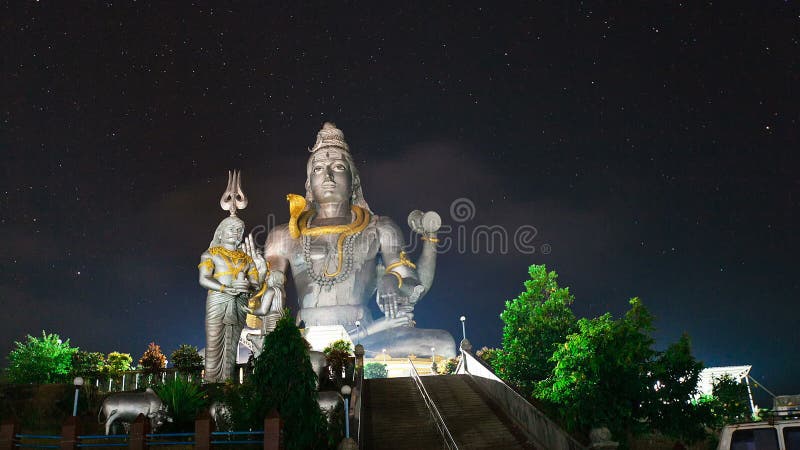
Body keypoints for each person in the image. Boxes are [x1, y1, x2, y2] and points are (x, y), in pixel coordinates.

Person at [247, 123, 454, 358]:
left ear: (354, 180)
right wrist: (256, 281)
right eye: (318, 169)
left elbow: (413, 285)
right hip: (305, 336)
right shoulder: (284, 235)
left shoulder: (379, 227)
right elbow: (267, 297)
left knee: (443, 343)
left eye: (338, 167)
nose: (327, 176)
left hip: (365, 335)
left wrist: (392, 279)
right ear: (308, 184)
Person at [198, 215, 265, 382]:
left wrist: (248, 286)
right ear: (220, 233)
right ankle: (212, 382)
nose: (235, 232)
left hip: (240, 302)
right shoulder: (210, 254)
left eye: (239, 230)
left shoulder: (247, 258)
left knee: (233, 342)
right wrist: (225, 288)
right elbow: (204, 279)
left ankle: (228, 381)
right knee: (214, 341)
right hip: (218, 300)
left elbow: (256, 284)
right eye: (231, 229)